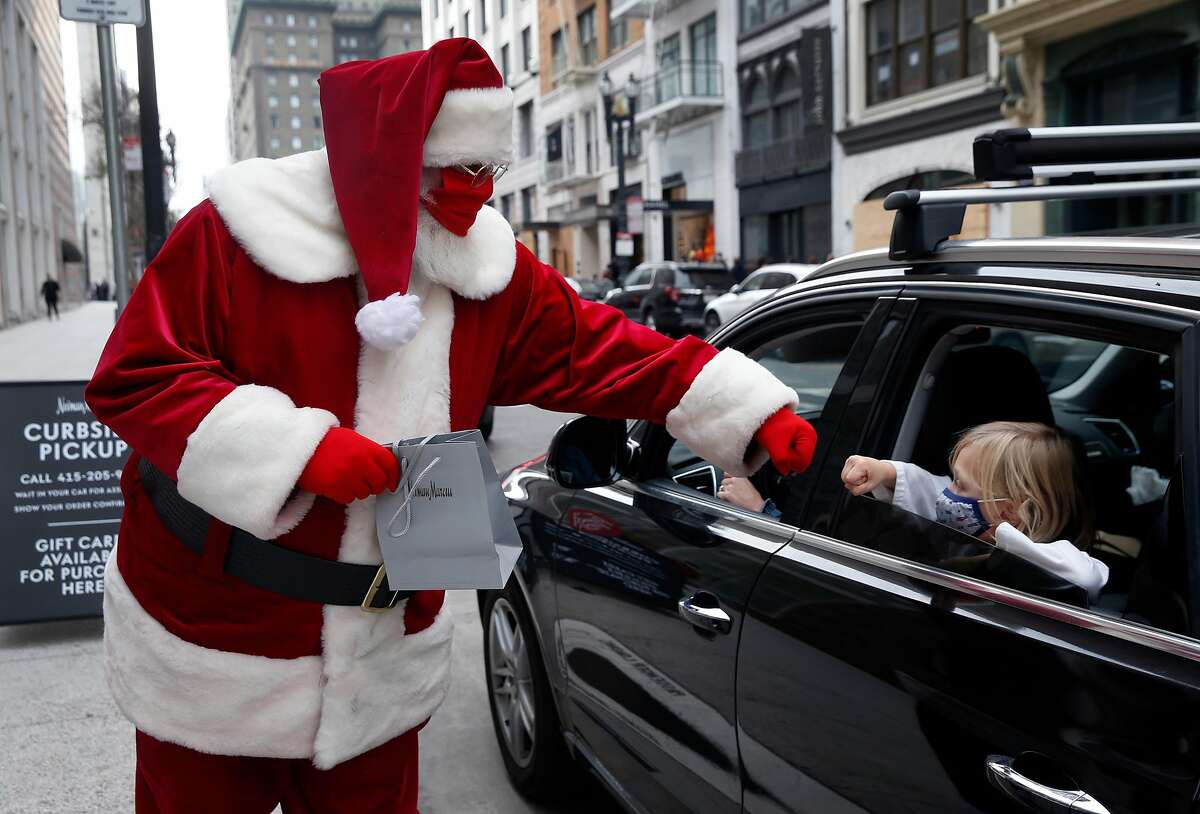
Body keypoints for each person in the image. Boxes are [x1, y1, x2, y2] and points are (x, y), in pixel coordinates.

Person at [85, 39, 818, 813]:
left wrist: (738, 404)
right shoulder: (236, 234)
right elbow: (139, 373)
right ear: (392, 155)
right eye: (459, 170)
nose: (477, 194)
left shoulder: (485, 268)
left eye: (488, 172)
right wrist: (296, 450)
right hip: (217, 639)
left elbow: (593, 345)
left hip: (379, 653)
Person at [841, 421, 1108, 599]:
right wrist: (886, 472)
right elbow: (933, 489)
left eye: (959, 483)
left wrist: (1005, 540)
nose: (947, 492)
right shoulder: (975, 520)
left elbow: (1085, 577)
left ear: (1007, 512)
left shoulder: (1062, 560)